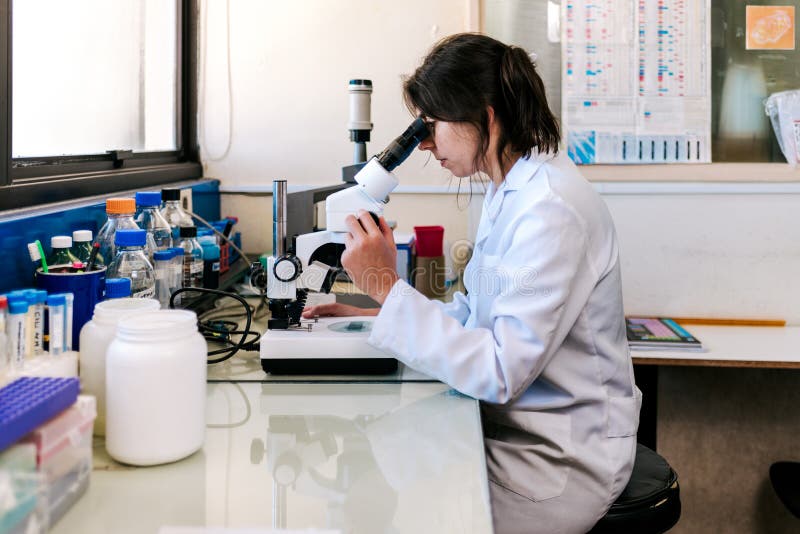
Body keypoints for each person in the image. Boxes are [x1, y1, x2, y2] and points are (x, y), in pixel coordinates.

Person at [303, 33, 640, 534]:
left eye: (432, 124)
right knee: (374, 453)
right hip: (514, 428)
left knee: (394, 504)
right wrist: (375, 310)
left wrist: (386, 285)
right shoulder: (509, 190)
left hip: (554, 458)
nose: (424, 144)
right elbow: (472, 314)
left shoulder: (552, 209)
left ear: (485, 116)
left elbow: (500, 370)